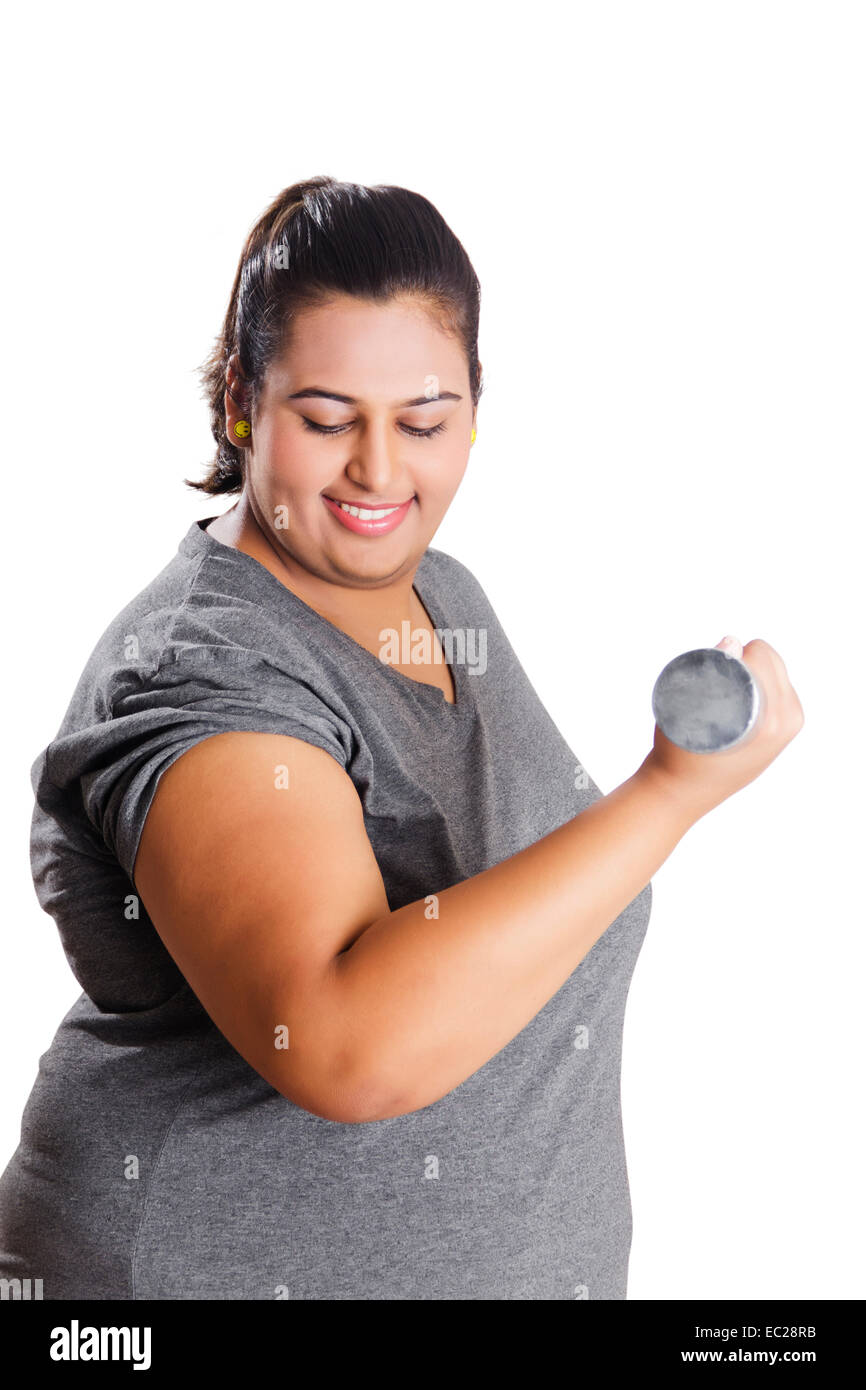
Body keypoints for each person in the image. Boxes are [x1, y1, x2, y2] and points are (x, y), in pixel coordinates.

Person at [0, 176, 804, 1301]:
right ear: (241, 400)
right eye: (326, 420)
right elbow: (337, 1040)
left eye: (423, 422)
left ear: (477, 404)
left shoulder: (444, 596)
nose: (379, 473)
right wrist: (664, 795)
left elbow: (518, 921)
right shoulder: (204, 668)